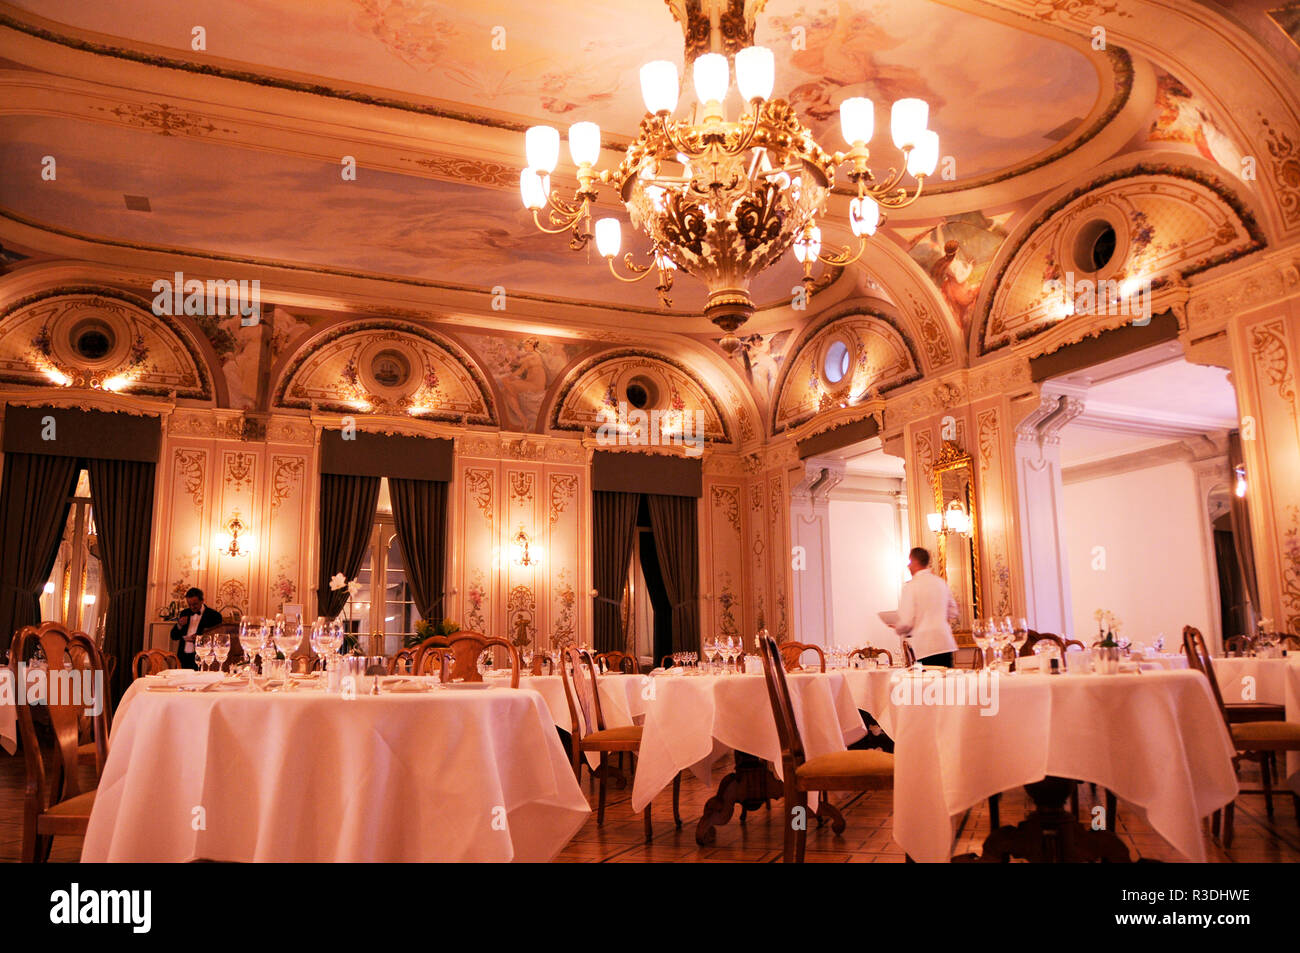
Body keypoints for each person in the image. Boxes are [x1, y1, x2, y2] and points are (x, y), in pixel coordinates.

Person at [892, 547, 959, 667]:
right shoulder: (940, 582)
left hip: (926, 646)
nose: (908, 566)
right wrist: (937, 615)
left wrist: (897, 627)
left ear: (915, 562)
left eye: (910, 562)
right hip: (945, 643)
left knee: (929, 684)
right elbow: (953, 611)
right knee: (946, 683)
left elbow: (907, 622)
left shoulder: (911, 587)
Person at [170, 587, 223, 669]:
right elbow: (174, 636)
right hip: (183, 658)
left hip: (203, 658)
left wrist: (199, 638)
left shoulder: (214, 616)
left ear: (202, 601)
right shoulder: (184, 613)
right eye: (189, 604)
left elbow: (218, 639)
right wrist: (179, 625)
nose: (192, 607)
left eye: (195, 604)